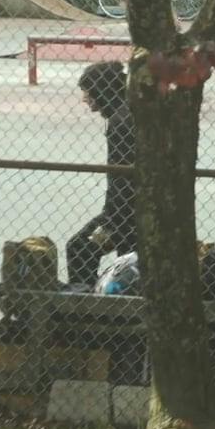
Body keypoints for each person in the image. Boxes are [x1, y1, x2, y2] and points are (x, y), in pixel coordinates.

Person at [67, 60, 139, 288]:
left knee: (79, 247)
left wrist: (111, 218)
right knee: (126, 259)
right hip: (131, 210)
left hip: (124, 213)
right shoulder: (125, 113)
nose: (84, 98)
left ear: (101, 91)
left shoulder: (120, 122)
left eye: (88, 92)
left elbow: (121, 178)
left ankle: (84, 300)